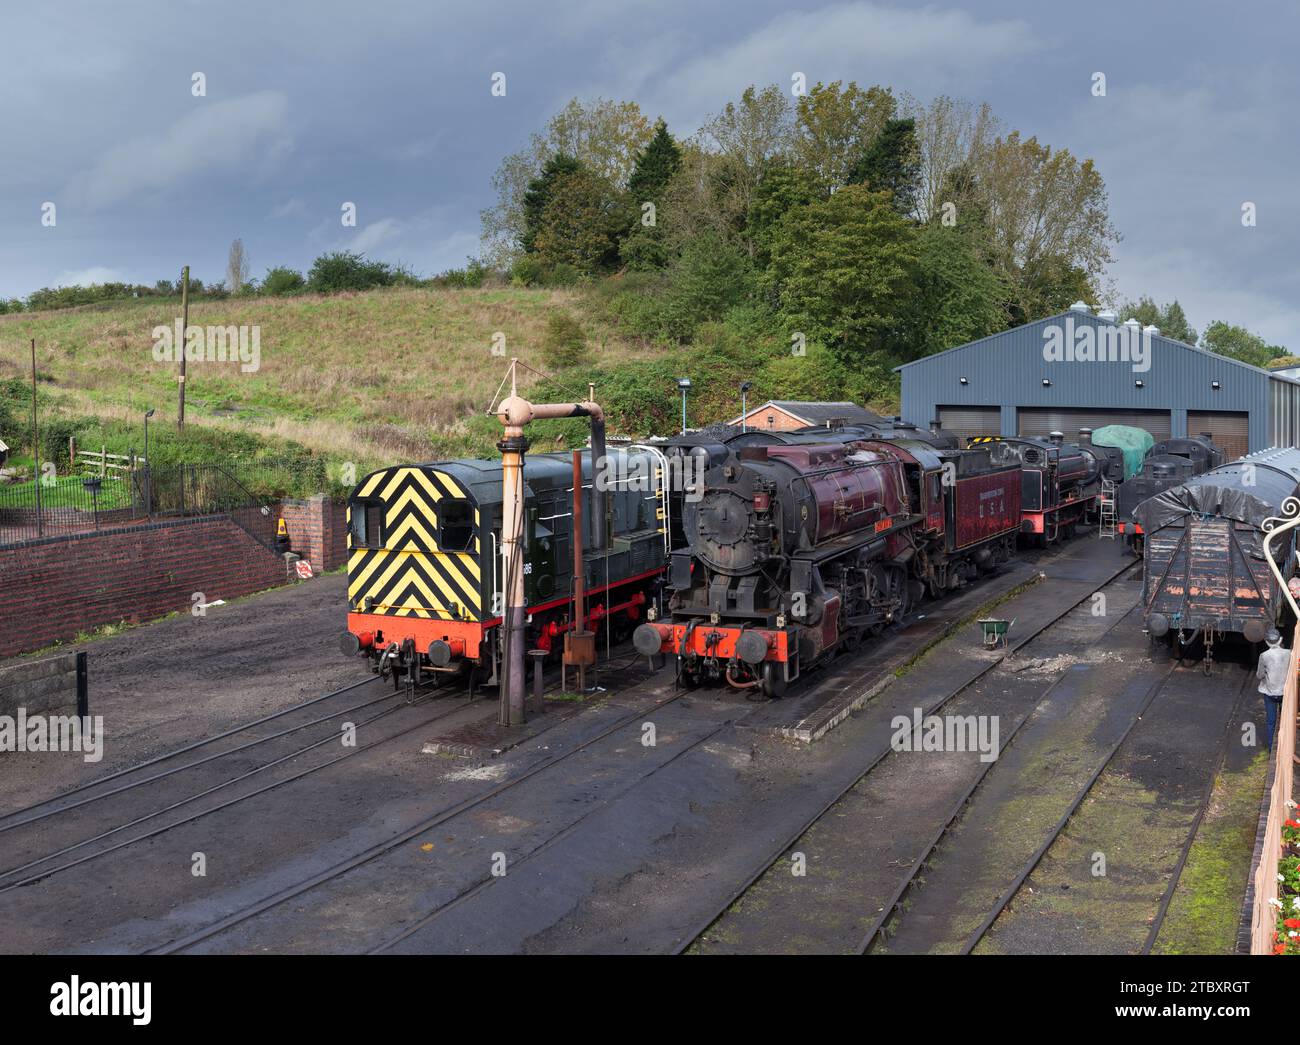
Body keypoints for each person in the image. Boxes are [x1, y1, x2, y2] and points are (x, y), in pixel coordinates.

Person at [1256, 628, 1290, 751]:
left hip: (1270, 693)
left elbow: (1259, 675)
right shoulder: (1289, 653)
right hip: (1285, 692)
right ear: (1280, 640)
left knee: (1271, 721)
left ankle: (1271, 748)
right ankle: (1285, 746)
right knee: (1285, 719)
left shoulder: (1264, 656)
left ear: (1267, 642)